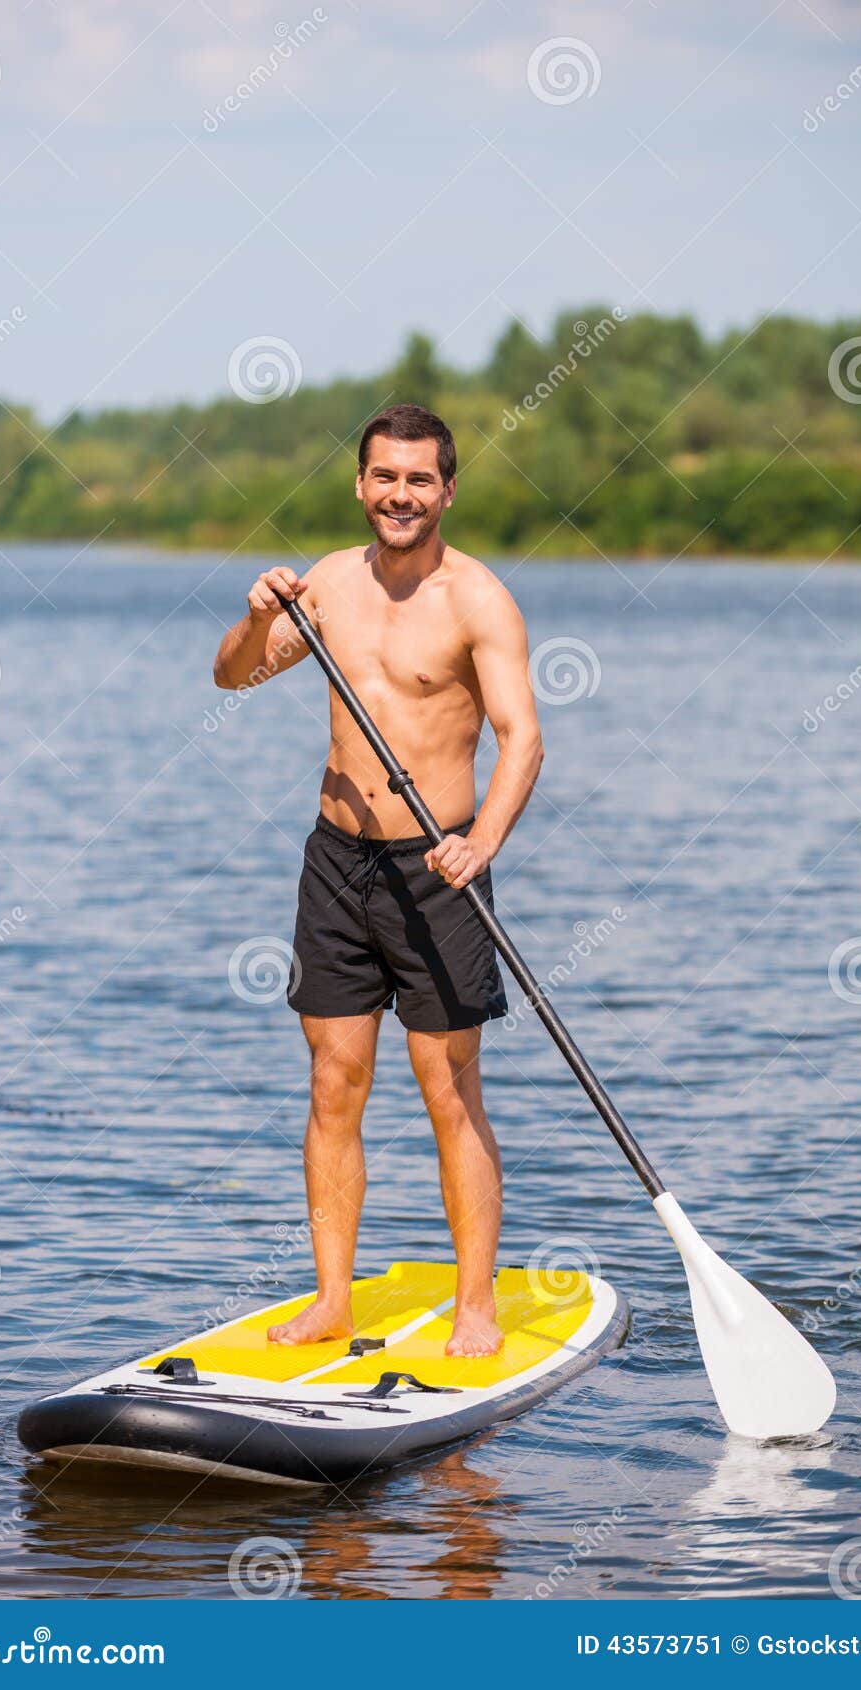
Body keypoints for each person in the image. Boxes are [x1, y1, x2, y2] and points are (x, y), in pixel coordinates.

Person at [212, 404, 543, 1356]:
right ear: (361, 485)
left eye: (420, 480)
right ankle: (331, 1302)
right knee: (332, 1082)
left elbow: (524, 739)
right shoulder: (324, 584)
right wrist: (255, 619)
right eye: (384, 477)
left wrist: (481, 841)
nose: (401, 495)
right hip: (336, 860)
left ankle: (475, 1305)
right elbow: (233, 679)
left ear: (447, 490)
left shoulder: (478, 600)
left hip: (439, 866)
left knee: (448, 1087)